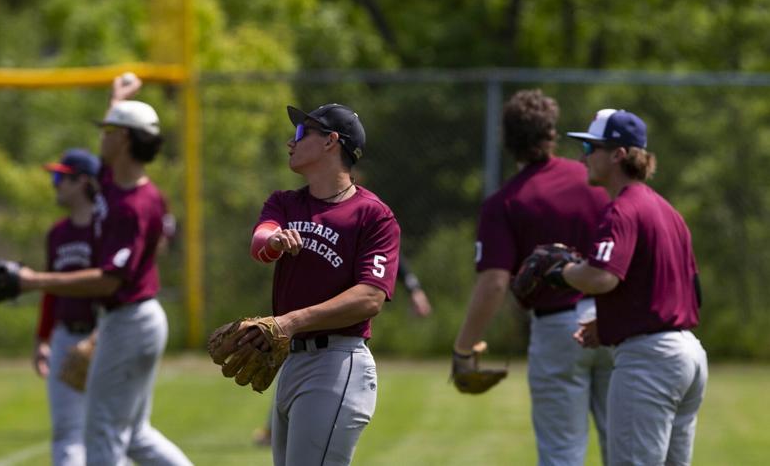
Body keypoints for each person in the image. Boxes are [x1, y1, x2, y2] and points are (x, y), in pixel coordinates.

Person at [18, 73, 191, 466]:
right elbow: (106, 161)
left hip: (130, 320)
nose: (102, 136)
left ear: (125, 139)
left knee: (102, 433)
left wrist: (32, 281)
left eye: (108, 131)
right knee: (133, 435)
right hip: (126, 319)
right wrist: (117, 100)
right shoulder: (114, 183)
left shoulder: (134, 205)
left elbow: (109, 279)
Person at [452, 89, 614, 464]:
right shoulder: (594, 180)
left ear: (508, 140)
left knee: (562, 454)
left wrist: (463, 349)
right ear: (552, 134)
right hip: (613, 319)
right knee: (624, 450)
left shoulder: (505, 201)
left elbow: (494, 282)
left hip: (558, 329)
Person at [245, 103, 400, 465]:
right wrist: (273, 241)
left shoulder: (372, 215)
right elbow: (260, 241)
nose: (290, 141)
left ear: (331, 141)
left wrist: (290, 321)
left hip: (337, 365)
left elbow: (370, 298)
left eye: (302, 132)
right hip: (291, 363)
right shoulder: (285, 203)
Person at [560, 109, 707, 465]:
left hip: (650, 362)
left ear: (618, 154)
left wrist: (560, 271)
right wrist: (614, 322)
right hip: (688, 355)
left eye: (592, 146)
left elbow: (601, 277)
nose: (584, 156)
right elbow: (684, 290)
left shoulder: (622, 210)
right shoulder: (667, 210)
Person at [252, 256, 429, 448]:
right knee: (294, 365)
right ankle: (275, 428)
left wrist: (414, 289)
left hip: (346, 317)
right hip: (314, 311)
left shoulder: (370, 229)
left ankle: (301, 426)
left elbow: (392, 259)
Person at [31, 148, 103, 466]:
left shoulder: (104, 229)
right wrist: (42, 340)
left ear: (83, 181)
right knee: (66, 434)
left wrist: (103, 335)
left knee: (111, 432)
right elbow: (50, 289)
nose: (54, 183)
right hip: (64, 337)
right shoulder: (57, 234)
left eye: (61, 177)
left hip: (105, 339)